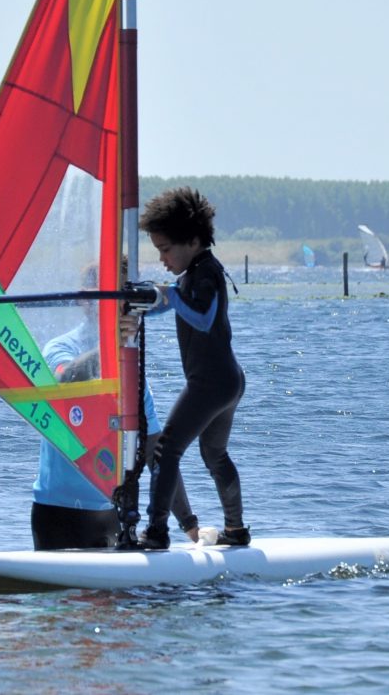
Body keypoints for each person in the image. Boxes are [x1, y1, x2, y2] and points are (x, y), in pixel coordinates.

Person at [134, 186, 250, 549]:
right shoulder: (191, 275)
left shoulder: (206, 273)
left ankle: (155, 533)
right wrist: (138, 302)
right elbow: (170, 303)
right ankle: (236, 531)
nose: (163, 259)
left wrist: (167, 295)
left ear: (194, 240)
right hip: (226, 381)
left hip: (211, 384)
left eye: (166, 250)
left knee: (165, 451)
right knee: (213, 453)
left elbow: (201, 316)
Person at [31, 265, 162, 550]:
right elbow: (64, 378)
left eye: (120, 297)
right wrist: (111, 345)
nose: (111, 305)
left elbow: (155, 450)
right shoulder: (59, 347)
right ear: (83, 301)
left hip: (109, 512)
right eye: (101, 296)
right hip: (57, 511)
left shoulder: (131, 366)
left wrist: (186, 522)